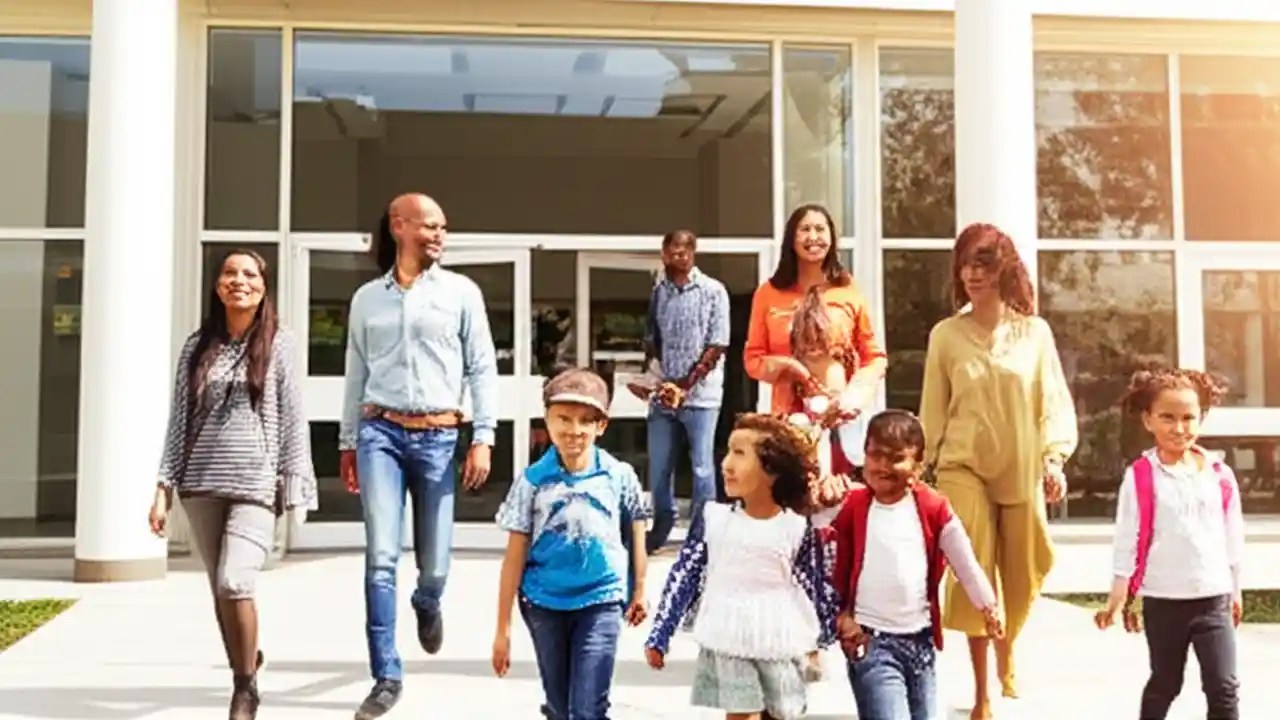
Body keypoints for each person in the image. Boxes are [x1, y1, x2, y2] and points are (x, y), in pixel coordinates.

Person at [340, 193, 499, 720]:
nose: (439, 235)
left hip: (438, 438)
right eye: (430, 226)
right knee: (381, 557)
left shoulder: (461, 293)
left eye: (443, 227)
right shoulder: (367, 299)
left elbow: (481, 368)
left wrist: (484, 435)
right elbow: (355, 374)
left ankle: (427, 602)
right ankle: (386, 674)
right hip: (379, 434)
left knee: (435, 563)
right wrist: (347, 442)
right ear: (399, 226)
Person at [148, 249, 317, 720]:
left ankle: (245, 690)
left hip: (255, 485)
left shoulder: (280, 342)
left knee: (235, 579)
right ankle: (247, 663)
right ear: (217, 285)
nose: (237, 280)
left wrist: (293, 482)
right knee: (220, 591)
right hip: (200, 483)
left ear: (263, 287)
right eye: (228, 273)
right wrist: (163, 487)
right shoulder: (196, 346)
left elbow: (292, 417)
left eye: (248, 274)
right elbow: (178, 420)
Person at [918, 222, 1077, 720]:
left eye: (982, 264)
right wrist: (919, 470)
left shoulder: (1035, 332)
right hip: (962, 468)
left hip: (1022, 466)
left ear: (1004, 268)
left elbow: (1052, 399)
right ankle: (983, 693)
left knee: (1026, 571)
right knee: (973, 574)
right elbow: (933, 409)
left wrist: (1054, 458)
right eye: (965, 264)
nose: (971, 274)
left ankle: (1008, 648)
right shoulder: (946, 335)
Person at [645, 413, 838, 720]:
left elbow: (817, 586)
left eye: (740, 454)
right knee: (740, 715)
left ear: (772, 470)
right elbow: (685, 574)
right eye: (728, 452)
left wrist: (823, 638)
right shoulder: (714, 519)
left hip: (782, 639)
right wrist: (661, 632)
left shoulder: (797, 528)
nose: (726, 464)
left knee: (781, 714)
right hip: (729, 635)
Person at [491, 368, 651, 720]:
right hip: (544, 603)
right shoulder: (532, 481)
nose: (573, 430)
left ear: (601, 426)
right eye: (563, 418)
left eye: (584, 421)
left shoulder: (618, 475)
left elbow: (637, 526)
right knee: (561, 708)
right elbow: (514, 556)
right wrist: (503, 629)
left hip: (601, 599)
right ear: (546, 419)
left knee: (588, 709)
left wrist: (639, 588)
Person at [830, 410, 1002, 720]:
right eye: (874, 455)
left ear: (918, 467)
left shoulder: (933, 508)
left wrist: (988, 605)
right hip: (871, 643)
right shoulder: (853, 507)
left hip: (920, 644)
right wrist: (841, 616)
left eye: (895, 458)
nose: (882, 466)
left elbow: (964, 561)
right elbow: (831, 562)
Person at [1094, 367, 1243, 720]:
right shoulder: (1141, 476)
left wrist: (1235, 589)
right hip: (1164, 601)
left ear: (1201, 419)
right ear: (1148, 420)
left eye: (1189, 418)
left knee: (1224, 687)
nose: (1179, 428)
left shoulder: (1219, 475)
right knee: (1165, 682)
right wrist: (1118, 598)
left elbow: (1232, 535)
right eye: (1168, 418)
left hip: (1212, 599)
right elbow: (1126, 540)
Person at [743, 203, 886, 511]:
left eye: (821, 229)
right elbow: (753, 360)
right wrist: (788, 366)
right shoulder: (768, 294)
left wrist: (853, 398)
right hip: (790, 425)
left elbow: (875, 357)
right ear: (791, 239)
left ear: (832, 238)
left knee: (841, 511)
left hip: (841, 424)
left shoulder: (848, 291)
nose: (813, 237)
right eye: (805, 229)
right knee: (795, 510)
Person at [626, 229, 731, 554]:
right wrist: (654, 380)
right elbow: (651, 340)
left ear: (693, 254)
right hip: (663, 394)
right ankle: (662, 525)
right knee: (659, 466)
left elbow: (718, 344)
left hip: (701, 397)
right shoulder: (660, 292)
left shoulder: (713, 291)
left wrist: (685, 385)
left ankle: (701, 534)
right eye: (672, 251)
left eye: (684, 251)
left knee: (701, 466)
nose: (678, 257)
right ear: (663, 253)